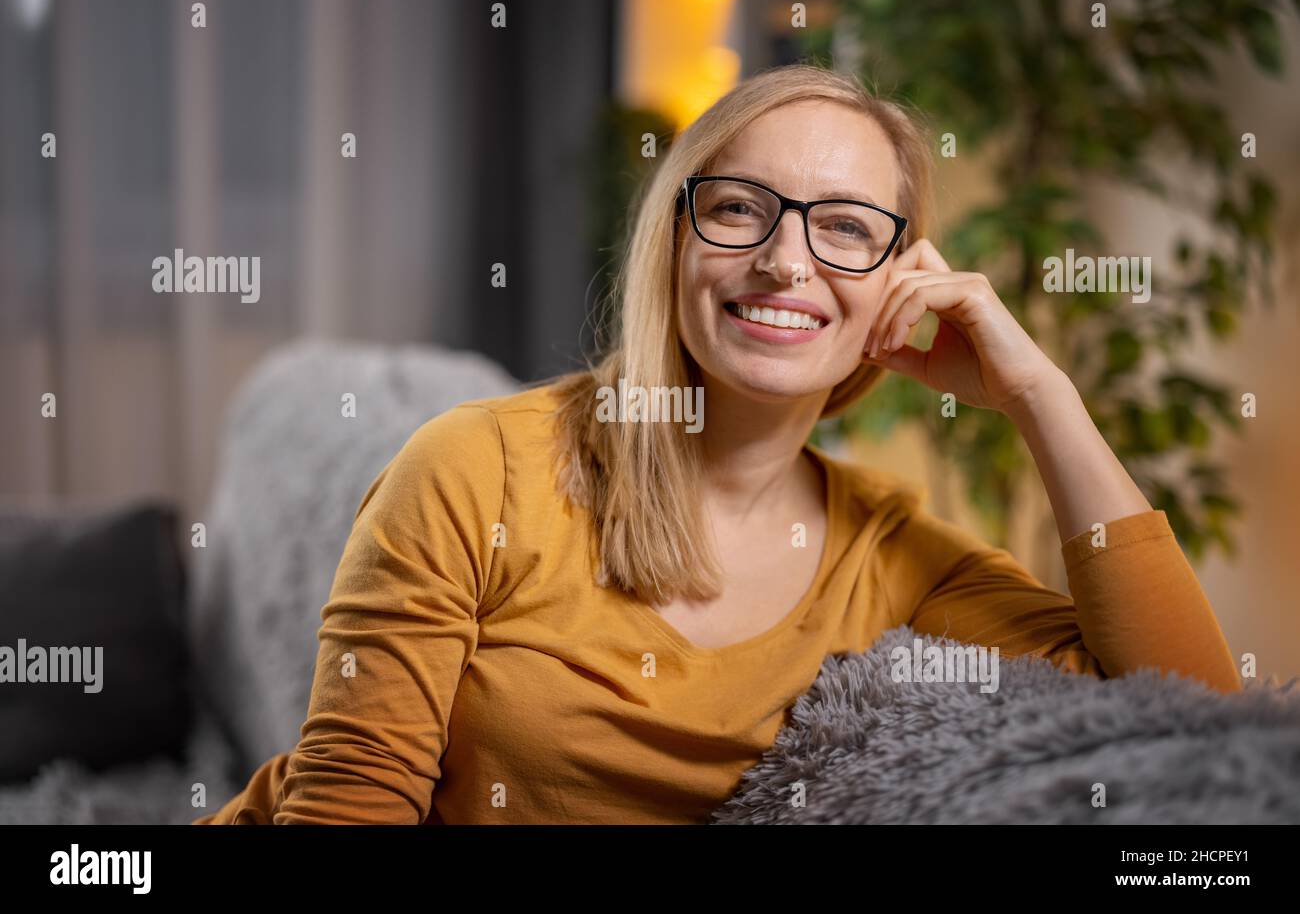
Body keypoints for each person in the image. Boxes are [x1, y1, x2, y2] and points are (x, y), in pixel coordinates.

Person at [194, 63, 1240, 825]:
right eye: (741, 208)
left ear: (901, 279)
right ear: (677, 241)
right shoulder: (475, 467)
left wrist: (1037, 392)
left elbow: (1193, 711)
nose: (787, 262)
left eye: (843, 228)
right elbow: (345, 816)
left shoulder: (897, 555)